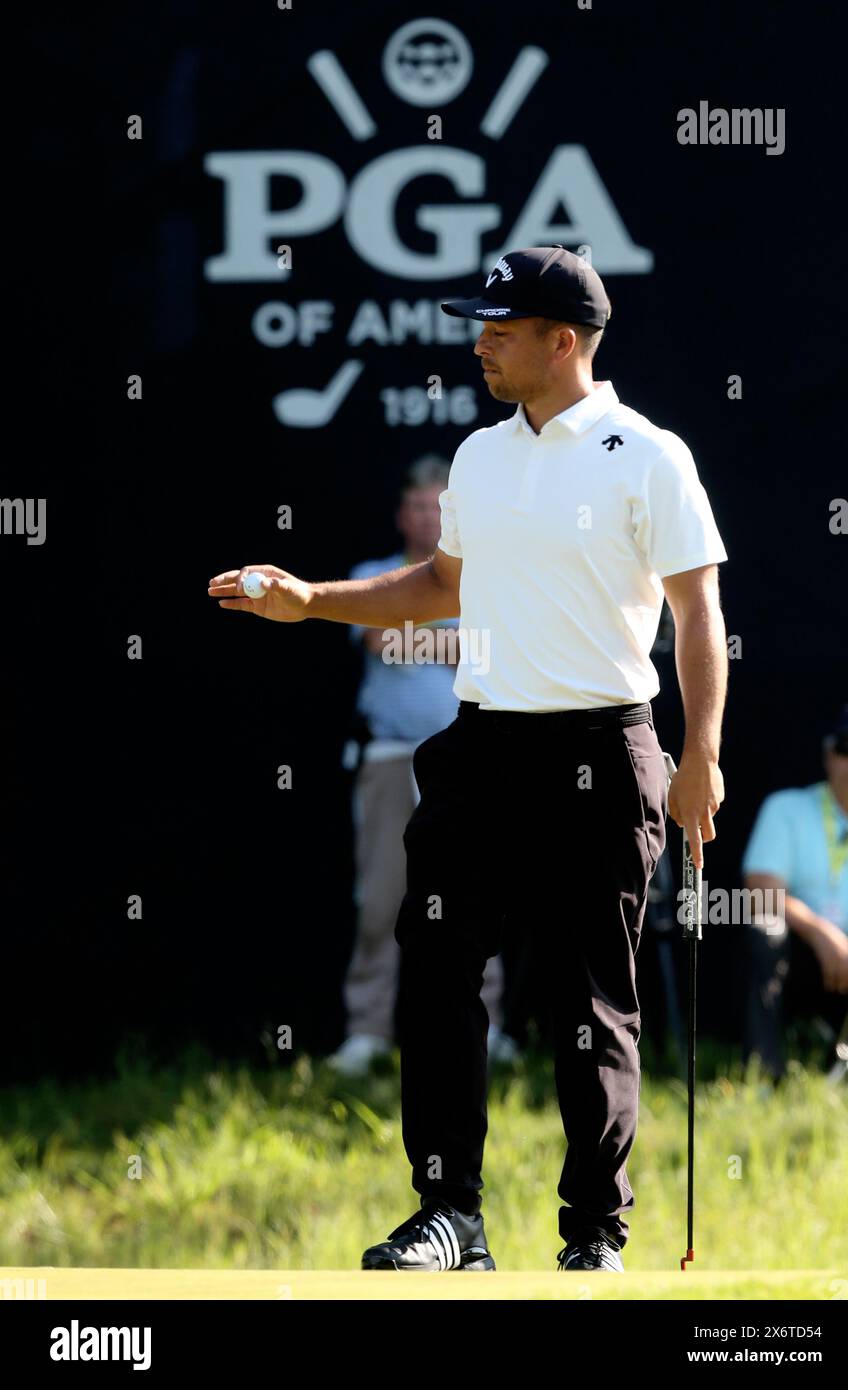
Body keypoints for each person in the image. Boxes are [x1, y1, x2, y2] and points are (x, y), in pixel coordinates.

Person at [208, 244, 729, 1272]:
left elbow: (696, 611)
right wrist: (311, 598)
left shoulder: (648, 452)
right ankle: (450, 1215)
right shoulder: (479, 456)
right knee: (439, 972)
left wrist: (699, 753)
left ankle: (593, 1232)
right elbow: (441, 583)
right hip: (482, 744)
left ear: (561, 342)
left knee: (590, 999)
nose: (479, 346)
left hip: (604, 742)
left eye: (497, 331)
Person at [328, 457, 512, 1077]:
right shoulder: (370, 575)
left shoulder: (484, 577)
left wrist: (417, 631)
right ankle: (368, 1033)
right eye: (417, 507)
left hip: (466, 760)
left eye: (438, 507)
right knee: (381, 898)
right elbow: (378, 638)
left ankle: (485, 1031)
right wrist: (451, 639)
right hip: (389, 758)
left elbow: (488, 648)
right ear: (400, 513)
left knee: (474, 897)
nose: (426, 517)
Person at [742, 700, 848, 1079]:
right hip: (804, 957)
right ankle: (763, 1077)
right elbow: (759, 891)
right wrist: (821, 934)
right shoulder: (786, 808)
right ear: (829, 755)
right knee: (764, 930)